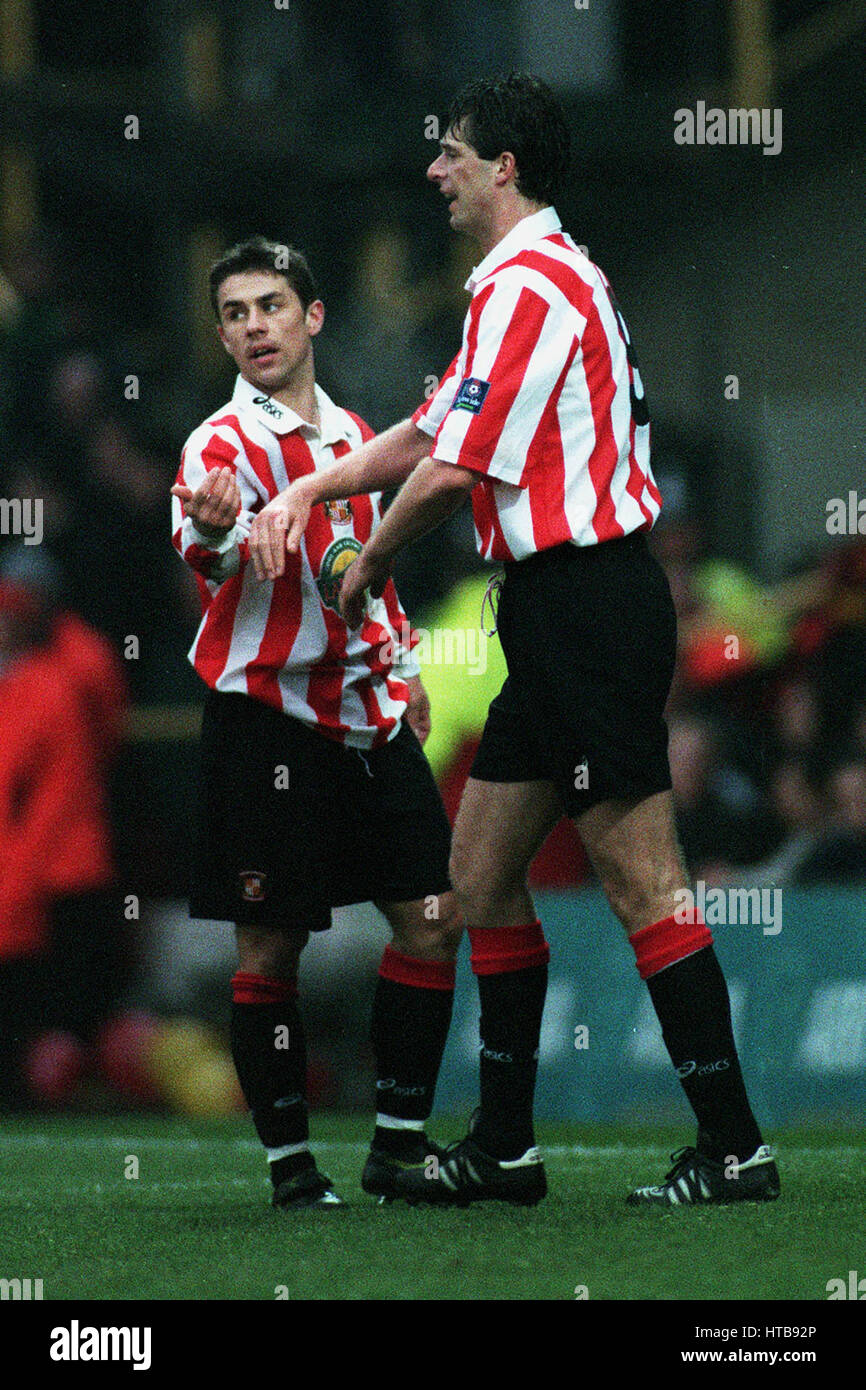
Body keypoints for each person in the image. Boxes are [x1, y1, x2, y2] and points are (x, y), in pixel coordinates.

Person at [249, 76, 779, 1210]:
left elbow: (453, 471)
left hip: (587, 606)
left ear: (504, 169)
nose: (434, 171)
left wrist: (368, 561)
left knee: (644, 884)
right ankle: (502, 1145)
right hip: (549, 612)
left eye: (451, 153)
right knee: (475, 877)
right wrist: (317, 486)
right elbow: (428, 428)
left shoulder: (535, 287)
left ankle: (733, 1147)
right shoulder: (517, 288)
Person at [170, 236, 461, 1210]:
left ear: (314, 317)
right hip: (267, 718)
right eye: (236, 312)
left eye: (272, 306)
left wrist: (408, 666)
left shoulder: (357, 438)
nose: (254, 324)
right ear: (222, 334)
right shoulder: (219, 445)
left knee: (429, 917)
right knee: (270, 949)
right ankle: (291, 1165)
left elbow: (366, 572)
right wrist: (213, 525)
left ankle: (397, 1146)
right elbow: (204, 553)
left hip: (369, 715)